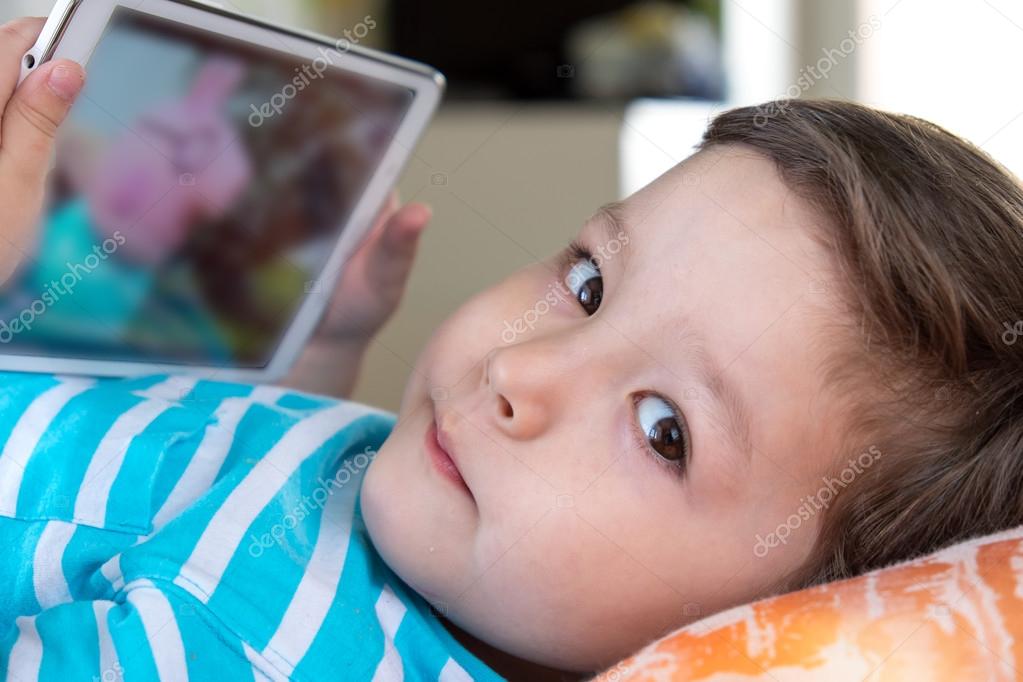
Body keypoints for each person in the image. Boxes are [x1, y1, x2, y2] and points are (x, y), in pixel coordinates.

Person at [3, 15, 1023, 681]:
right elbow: (265, 484)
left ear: (773, 619)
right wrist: (325, 351)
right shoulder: (442, 510)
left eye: (665, 429)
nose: (519, 374)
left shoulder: (268, 653)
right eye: (588, 283)